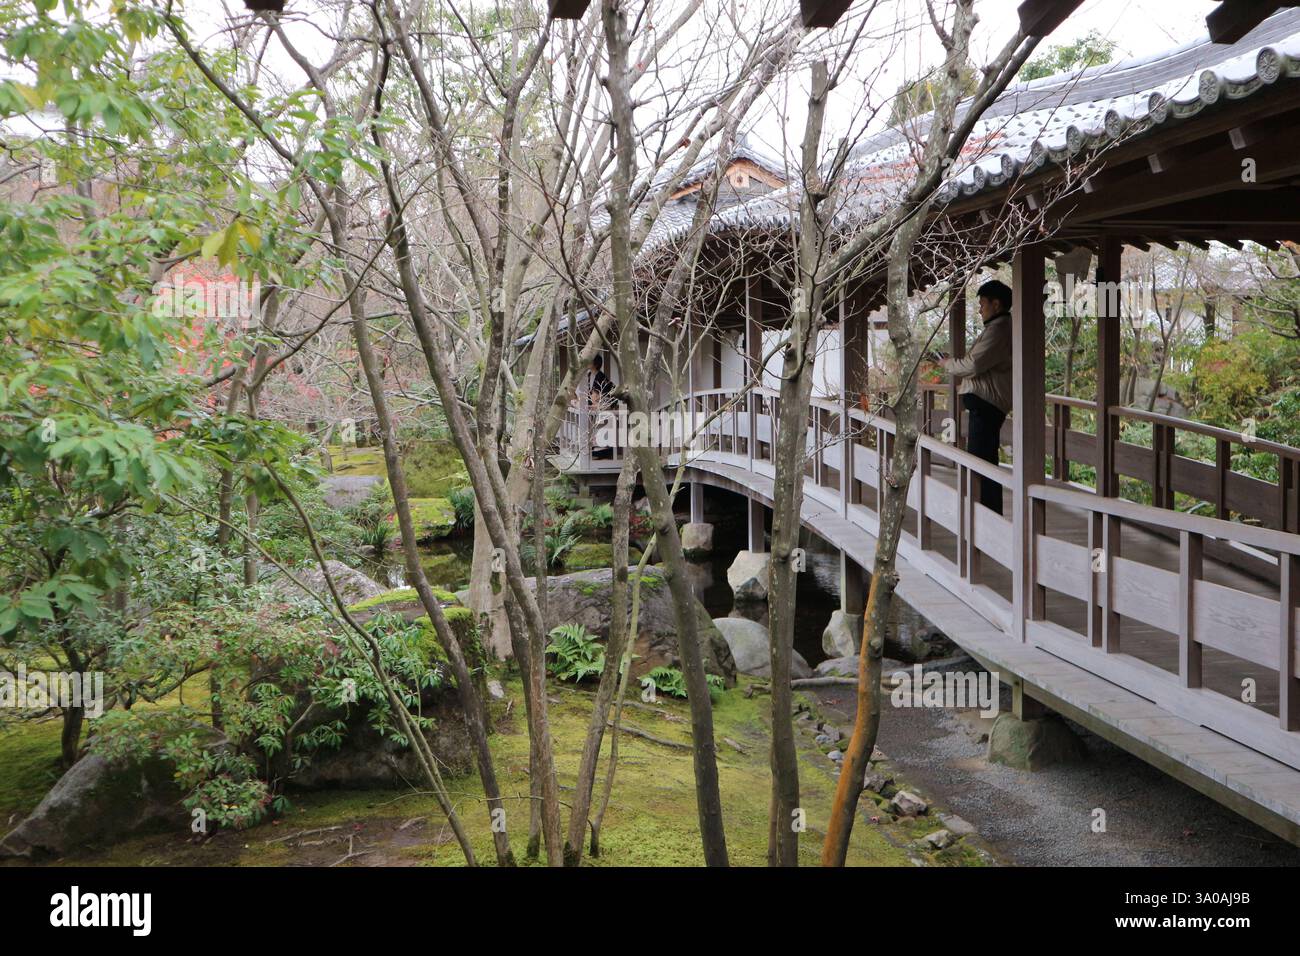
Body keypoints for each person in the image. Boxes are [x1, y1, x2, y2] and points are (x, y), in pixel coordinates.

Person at [941, 279, 1013, 515]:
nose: (980, 309)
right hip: (986, 404)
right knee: (982, 460)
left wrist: (948, 364)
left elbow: (974, 364)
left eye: (983, 303)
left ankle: (989, 516)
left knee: (982, 463)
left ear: (996, 304)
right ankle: (987, 513)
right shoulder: (997, 328)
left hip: (987, 405)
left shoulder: (999, 329)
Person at [587, 355, 615, 460]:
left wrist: (596, 402)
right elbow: (591, 392)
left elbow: (599, 393)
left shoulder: (600, 376)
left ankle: (604, 449)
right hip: (595, 405)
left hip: (605, 405)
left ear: (595, 363)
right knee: (595, 427)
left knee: (603, 426)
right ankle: (598, 448)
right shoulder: (589, 375)